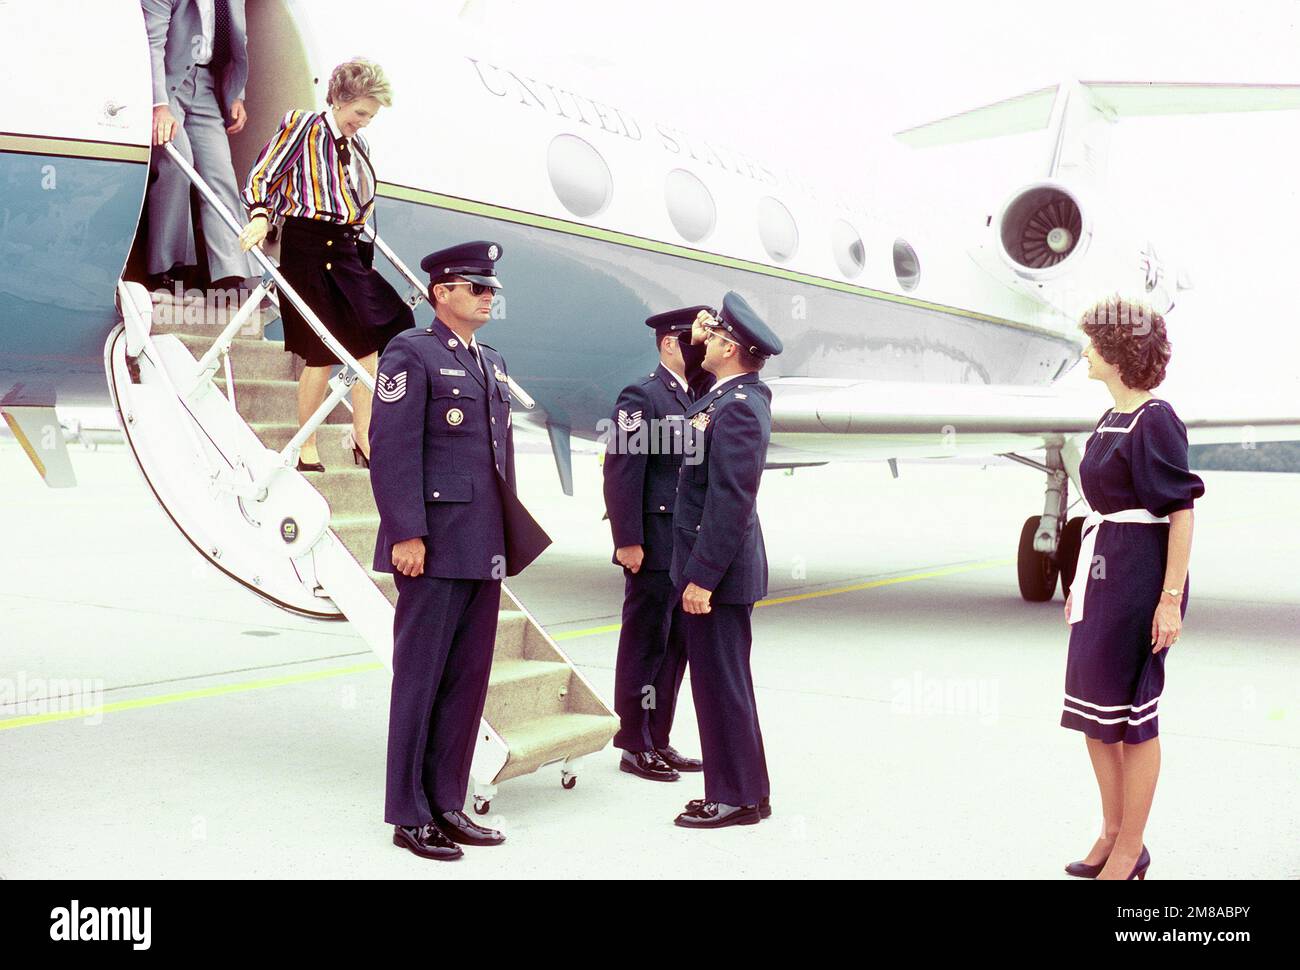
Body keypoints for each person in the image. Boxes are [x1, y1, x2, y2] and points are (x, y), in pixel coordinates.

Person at [368, 240, 551, 862]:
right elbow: (393, 451)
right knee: (419, 679)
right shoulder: (409, 353)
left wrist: (506, 536)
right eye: (476, 288)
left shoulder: (491, 363)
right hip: (434, 544)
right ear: (441, 292)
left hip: (482, 545)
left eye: (491, 289)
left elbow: (499, 461)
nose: (488, 297)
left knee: (469, 680)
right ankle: (408, 813)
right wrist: (406, 533)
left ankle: (447, 802)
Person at [1060, 296, 1204, 881]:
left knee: (1132, 719)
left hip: (1143, 580)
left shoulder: (1157, 419)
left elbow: (1182, 512)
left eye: (1092, 342)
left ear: (1117, 352)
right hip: (1103, 575)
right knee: (1094, 714)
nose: (1085, 351)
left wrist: (1170, 599)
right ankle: (1111, 832)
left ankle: (1132, 848)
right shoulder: (1110, 416)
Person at [238, 58, 413, 472]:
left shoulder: (359, 146)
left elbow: (355, 198)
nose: (364, 122)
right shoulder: (303, 126)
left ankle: (363, 436)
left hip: (346, 251)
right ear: (339, 100)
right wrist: (262, 215)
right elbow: (262, 176)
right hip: (309, 249)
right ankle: (307, 446)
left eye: (370, 116)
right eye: (360, 113)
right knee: (321, 354)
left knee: (375, 343)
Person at [670, 292, 782, 829]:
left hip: (719, 576)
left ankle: (735, 798)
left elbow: (729, 502)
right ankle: (743, 792)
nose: (706, 340)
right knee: (722, 685)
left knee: (722, 687)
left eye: (714, 337)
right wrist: (697, 346)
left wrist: (702, 577)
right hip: (719, 573)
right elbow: (697, 400)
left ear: (732, 349)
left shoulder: (738, 410)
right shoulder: (731, 396)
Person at [602, 306, 710, 782]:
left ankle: (658, 738)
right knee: (644, 642)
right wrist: (627, 539)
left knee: (675, 644)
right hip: (652, 540)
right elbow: (622, 470)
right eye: (696, 339)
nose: (703, 348)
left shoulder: (698, 395)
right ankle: (633, 742)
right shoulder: (642, 397)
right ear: (670, 343)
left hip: (685, 541)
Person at [143, 0, 257, 290]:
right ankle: (168, 266)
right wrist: (159, 105)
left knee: (220, 173)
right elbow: (152, 44)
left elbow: (237, 42)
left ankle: (231, 271)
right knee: (177, 163)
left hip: (206, 83)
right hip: (169, 84)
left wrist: (236, 95)